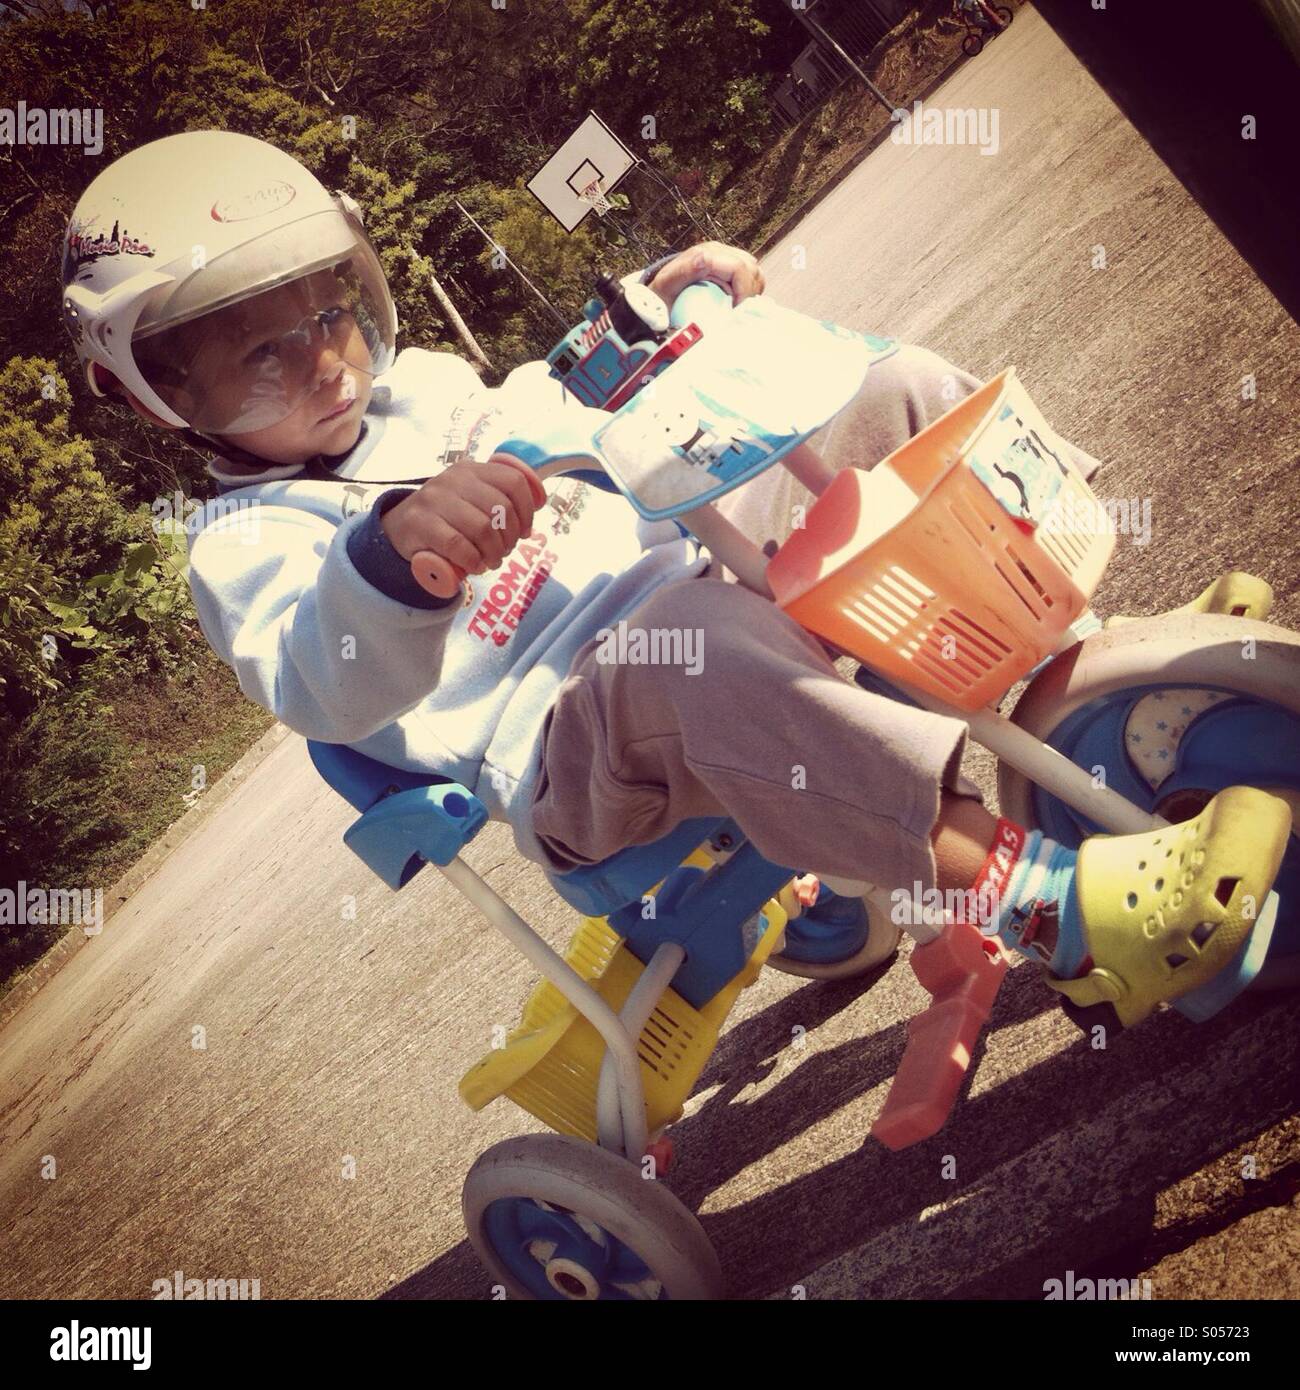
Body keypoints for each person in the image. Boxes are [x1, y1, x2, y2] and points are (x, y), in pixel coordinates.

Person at [61, 129, 1290, 1031]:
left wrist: (651, 316)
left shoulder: (422, 384)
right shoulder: (243, 541)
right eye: (255, 355)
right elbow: (318, 686)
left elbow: (562, 408)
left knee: (883, 398)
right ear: (156, 390)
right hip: (573, 755)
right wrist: (388, 560)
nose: (322, 364)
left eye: (328, 315)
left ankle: (1084, 660)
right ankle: (1051, 907)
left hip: (692, 583)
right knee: (696, 642)